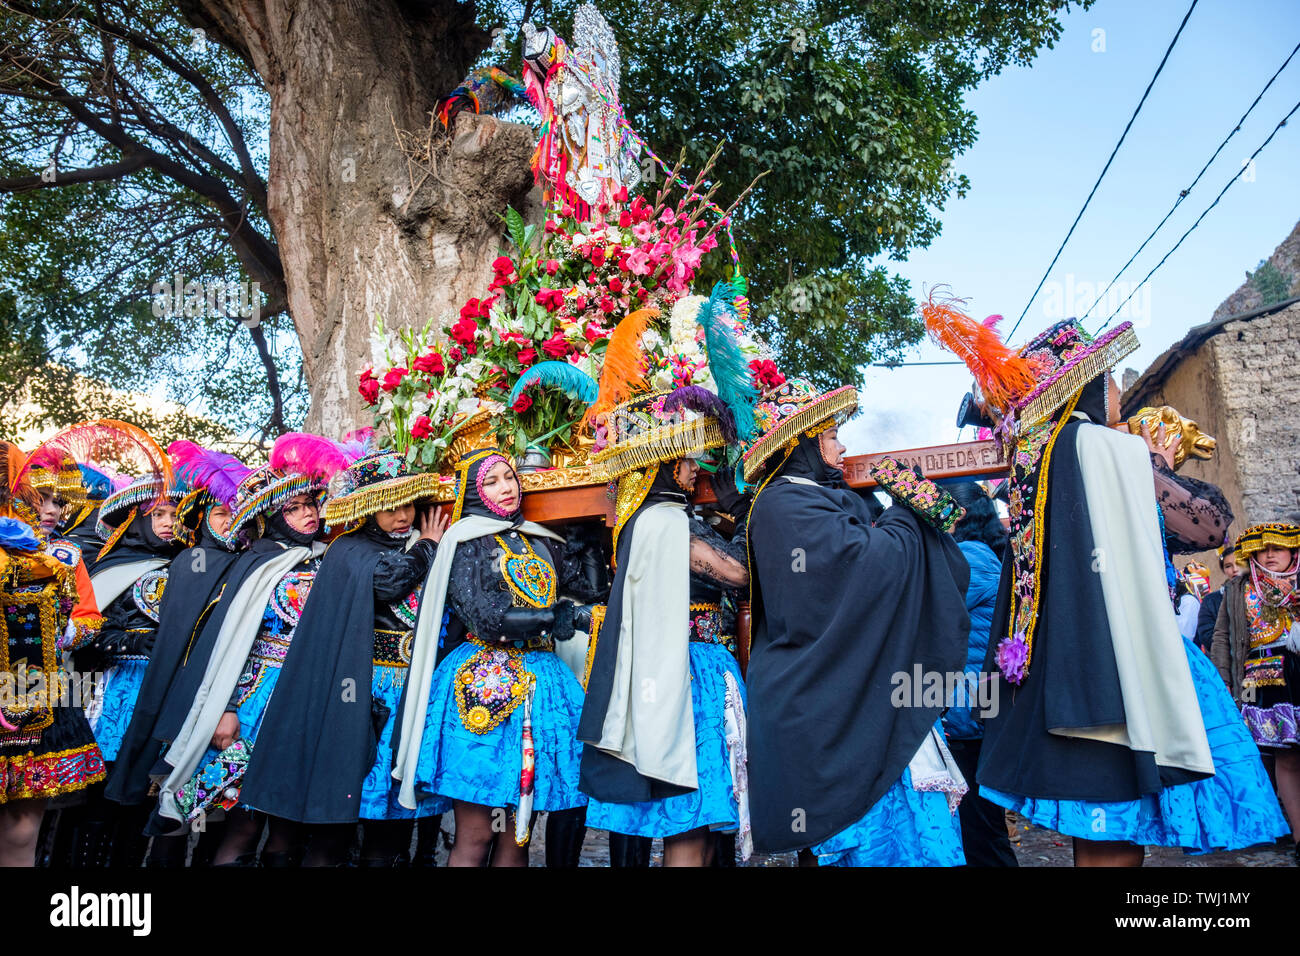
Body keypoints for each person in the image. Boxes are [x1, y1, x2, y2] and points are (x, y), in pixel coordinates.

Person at [923, 302, 1289, 865]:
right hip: (1117, 666)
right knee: (1118, 822)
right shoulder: (1107, 449)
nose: (1121, 391)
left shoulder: (1034, 458)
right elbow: (1211, 523)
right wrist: (1157, 465)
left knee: (1095, 824)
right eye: (1112, 379)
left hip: (1056, 671)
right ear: (1087, 386)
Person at [743, 377, 970, 866]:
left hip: (856, 693)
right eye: (830, 437)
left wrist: (899, 512)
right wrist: (908, 514)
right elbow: (866, 568)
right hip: (825, 702)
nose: (843, 447)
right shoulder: (785, 502)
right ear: (801, 443)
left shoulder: (819, 498)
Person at [236, 447, 450, 866]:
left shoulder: (423, 543)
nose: (401, 515)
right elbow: (388, 582)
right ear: (368, 510)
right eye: (387, 508)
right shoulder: (349, 550)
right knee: (337, 820)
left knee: (391, 827)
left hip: (412, 690)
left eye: (406, 504)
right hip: (357, 693)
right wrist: (427, 545)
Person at [392, 447, 603, 866]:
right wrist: (558, 617)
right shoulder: (466, 540)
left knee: (516, 836)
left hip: (541, 691)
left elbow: (592, 590)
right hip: (484, 689)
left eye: (510, 477)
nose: (506, 488)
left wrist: (585, 535)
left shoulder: (539, 538)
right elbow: (487, 618)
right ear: (472, 490)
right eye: (491, 481)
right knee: (477, 836)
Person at [149, 432, 345, 866]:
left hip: (308, 698)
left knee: (286, 818)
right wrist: (228, 706)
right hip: (256, 700)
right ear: (273, 517)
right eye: (293, 508)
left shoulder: (329, 558)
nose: (308, 513)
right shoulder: (256, 563)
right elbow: (230, 642)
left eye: (311, 504)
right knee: (242, 817)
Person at [578, 391, 753, 867]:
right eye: (687, 459)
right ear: (664, 466)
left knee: (690, 825)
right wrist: (745, 514)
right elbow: (737, 573)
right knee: (687, 819)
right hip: (689, 680)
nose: (696, 467)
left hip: (680, 674)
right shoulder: (667, 523)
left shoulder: (648, 520)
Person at [104, 441, 251, 867]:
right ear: (204, 520)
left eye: (236, 514)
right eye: (222, 514)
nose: (231, 524)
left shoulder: (243, 562)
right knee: (169, 815)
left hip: (225, 705)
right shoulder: (195, 561)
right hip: (182, 706)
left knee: (213, 812)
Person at [0, 441, 106, 867]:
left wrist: (64, 628)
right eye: (39, 500)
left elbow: (90, 619)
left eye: (57, 502)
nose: (51, 510)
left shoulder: (65, 557)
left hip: (38, 693)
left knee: (23, 826)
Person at [1211, 523, 1300, 865]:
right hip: (1262, 682)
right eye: (1263, 549)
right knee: (1285, 758)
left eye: (1278, 547)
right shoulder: (1238, 589)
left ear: (1293, 550)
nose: (1271, 554)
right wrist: (1224, 685)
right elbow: (1222, 638)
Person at [944, 481, 1018, 867]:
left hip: (964, 710)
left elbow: (927, 609)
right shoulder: (985, 554)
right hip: (974, 708)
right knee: (982, 829)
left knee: (980, 834)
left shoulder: (967, 559)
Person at [1196, 544, 1238, 655]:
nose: (1235, 569)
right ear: (1224, 571)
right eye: (1228, 566)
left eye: (1239, 563)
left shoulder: (1261, 593)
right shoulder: (1211, 601)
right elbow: (1207, 635)